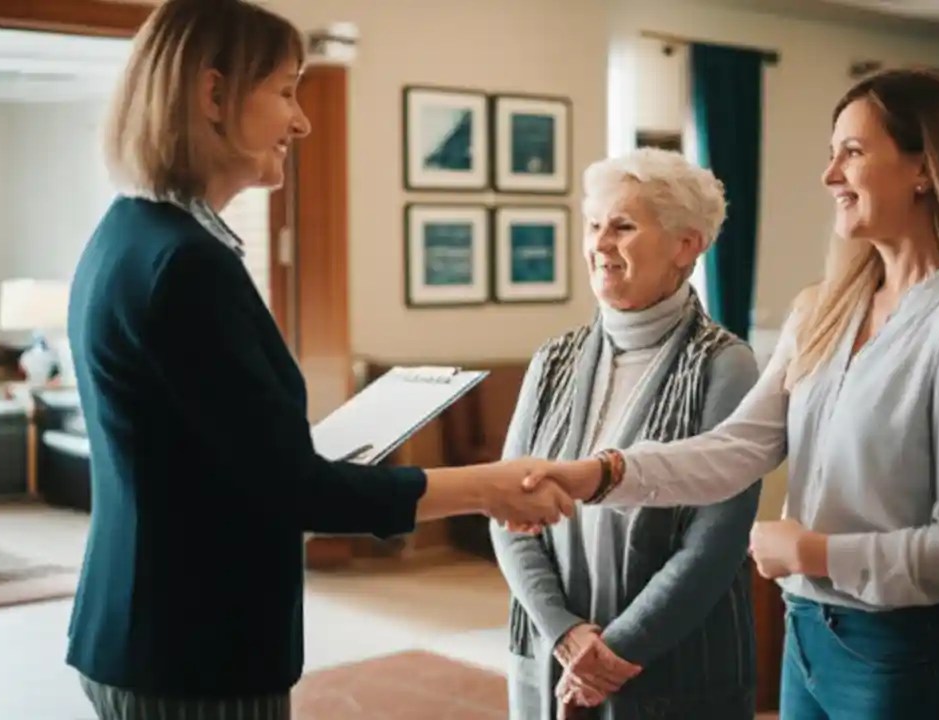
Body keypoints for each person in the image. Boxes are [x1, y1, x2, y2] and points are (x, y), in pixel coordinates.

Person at [67, 2, 572, 718]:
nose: (301, 121)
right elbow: (296, 492)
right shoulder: (186, 265)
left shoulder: (130, 233)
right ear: (212, 95)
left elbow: (208, 451)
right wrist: (488, 488)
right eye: (284, 90)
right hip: (191, 646)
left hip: (143, 626)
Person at [517, 68, 939, 719]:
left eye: (852, 151)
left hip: (909, 655)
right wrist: (600, 473)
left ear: (925, 167)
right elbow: (737, 448)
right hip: (806, 640)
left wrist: (812, 552)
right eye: (831, 153)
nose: (829, 176)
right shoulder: (821, 310)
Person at [491, 148, 762, 720]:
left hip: (672, 655)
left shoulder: (726, 365)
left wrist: (615, 650)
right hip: (551, 639)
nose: (600, 244)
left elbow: (716, 541)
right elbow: (507, 509)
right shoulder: (553, 359)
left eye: (623, 226)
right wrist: (564, 633)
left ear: (686, 245)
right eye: (594, 226)